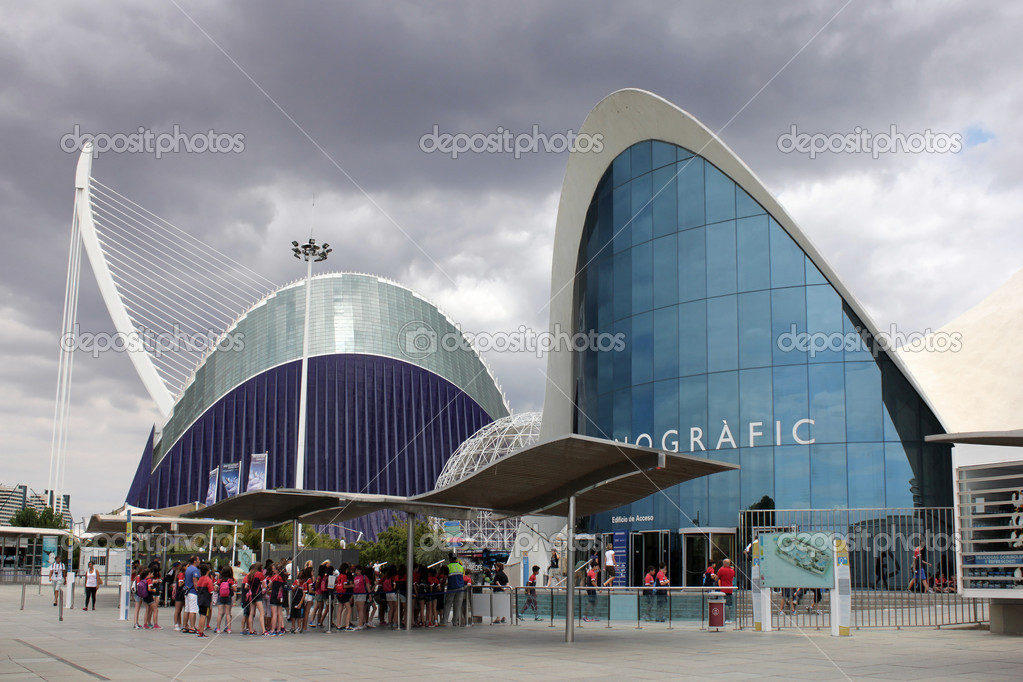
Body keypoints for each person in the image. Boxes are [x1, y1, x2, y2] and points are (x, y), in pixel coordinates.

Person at [443, 554, 466, 627]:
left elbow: (445, 578)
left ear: (449, 558)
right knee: (457, 605)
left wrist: (443, 584)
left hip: (452, 587)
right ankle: (455, 621)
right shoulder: (460, 567)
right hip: (460, 588)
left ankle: (445, 621)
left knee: (448, 604)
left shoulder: (448, 567)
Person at [194, 564, 214, 638]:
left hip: (200, 599)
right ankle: (201, 631)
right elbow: (211, 591)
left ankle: (200, 630)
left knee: (201, 614)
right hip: (206, 599)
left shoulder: (200, 579)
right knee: (204, 615)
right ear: (208, 571)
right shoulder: (208, 580)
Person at [215, 566, 235, 633]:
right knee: (228, 613)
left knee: (220, 613)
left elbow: (215, 588)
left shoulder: (219, 580)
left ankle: (218, 628)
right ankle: (229, 629)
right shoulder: (230, 580)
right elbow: (235, 589)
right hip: (228, 597)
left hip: (221, 597)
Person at [715, 558, 735, 623]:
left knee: (723, 604)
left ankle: (724, 619)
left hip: (723, 590)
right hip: (730, 589)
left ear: (724, 563)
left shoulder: (721, 570)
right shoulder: (732, 571)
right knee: (729, 605)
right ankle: (728, 619)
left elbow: (716, 578)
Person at [173, 562, 186, 631]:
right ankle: (176, 624)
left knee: (180, 610)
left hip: (182, 593)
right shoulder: (181, 574)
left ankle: (180, 623)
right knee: (177, 610)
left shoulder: (184, 574)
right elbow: (180, 584)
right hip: (179, 593)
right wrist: (184, 582)